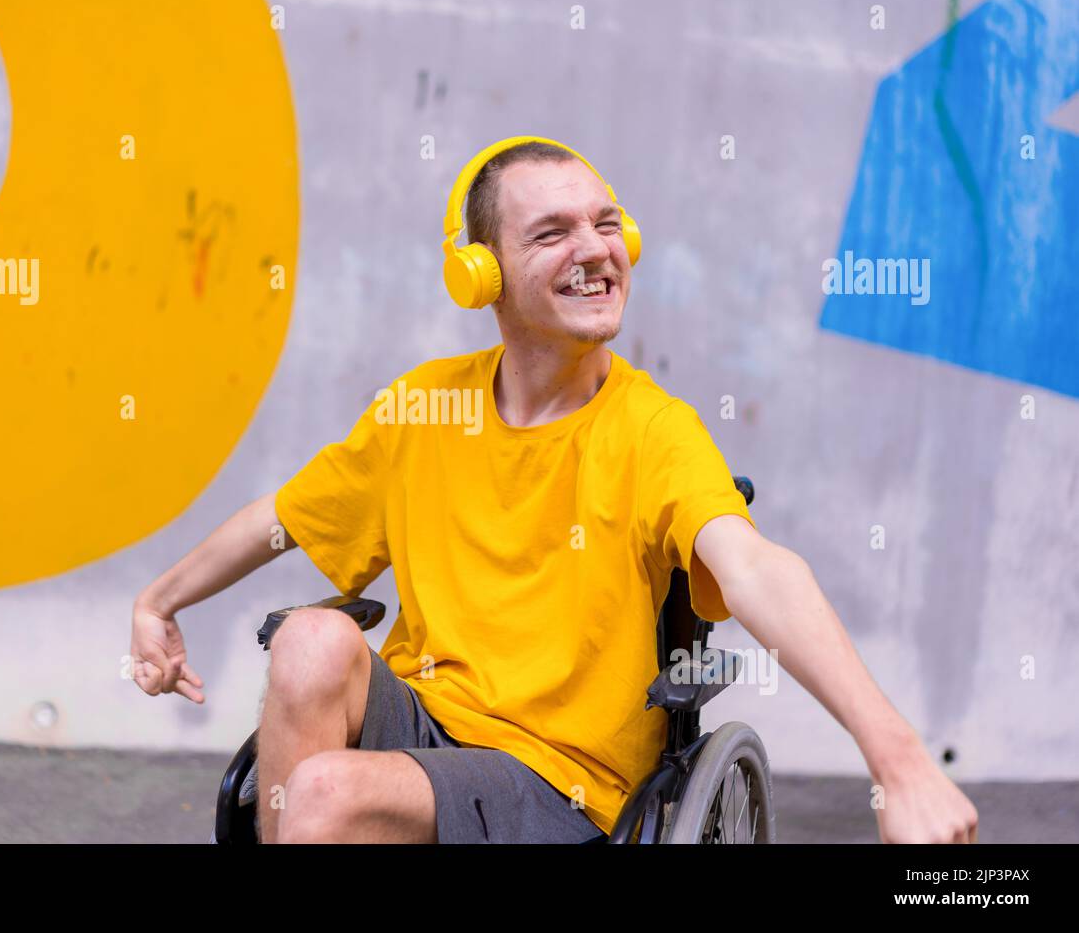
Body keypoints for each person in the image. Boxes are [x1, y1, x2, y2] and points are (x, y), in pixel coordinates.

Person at [131, 137, 979, 845]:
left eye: (607, 225)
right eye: (552, 233)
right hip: (429, 725)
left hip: (560, 776)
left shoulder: (653, 430)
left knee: (319, 797)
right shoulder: (425, 407)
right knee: (310, 641)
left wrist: (897, 762)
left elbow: (756, 571)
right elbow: (284, 519)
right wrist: (159, 601)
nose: (595, 250)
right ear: (479, 273)